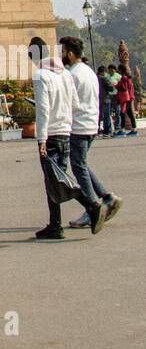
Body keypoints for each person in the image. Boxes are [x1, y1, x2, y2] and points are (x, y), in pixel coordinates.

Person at [30, 37, 105, 240]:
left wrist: (41, 139)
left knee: (57, 180)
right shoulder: (64, 73)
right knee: (55, 181)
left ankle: (92, 205)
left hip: (51, 134)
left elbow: (43, 111)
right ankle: (55, 226)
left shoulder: (40, 75)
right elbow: (75, 103)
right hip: (65, 133)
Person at [59, 37, 122, 232]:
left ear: (70, 53)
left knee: (78, 168)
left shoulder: (71, 74)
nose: (61, 55)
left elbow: (69, 102)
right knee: (82, 165)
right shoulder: (88, 71)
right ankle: (106, 196)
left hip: (78, 125)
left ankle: (93, 207)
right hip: (91, 124)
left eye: (62, 51)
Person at [116, 65, 138, 137]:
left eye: (118, 69)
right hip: (129, 97)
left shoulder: (124, 77)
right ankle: (133, 129)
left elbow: (124, 88)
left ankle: (123, 130)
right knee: (129, 113)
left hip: (126, 97)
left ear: (121, 70)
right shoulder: (127, 77)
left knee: (123, 113)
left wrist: (117, 85)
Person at [96, 67, 114, 137]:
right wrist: (111, 84)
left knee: (98, 116)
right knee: (107, 116)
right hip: (105, 100)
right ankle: (107, 131)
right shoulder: (104, 78)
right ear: (104, 72)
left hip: (97, 99)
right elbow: (111, 88)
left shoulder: (95, 78)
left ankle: (97, 131)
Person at [106, 64, 122, 134]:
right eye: (110, 69)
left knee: (117, 112)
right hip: (109, 96)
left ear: (115, 70)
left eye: (113, 69)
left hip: (116, 95)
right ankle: (109, 129)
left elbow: (122, 85)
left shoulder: (118, 76)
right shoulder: (107, 76)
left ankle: (118, 127)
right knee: (108, 113)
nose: (111, 70)